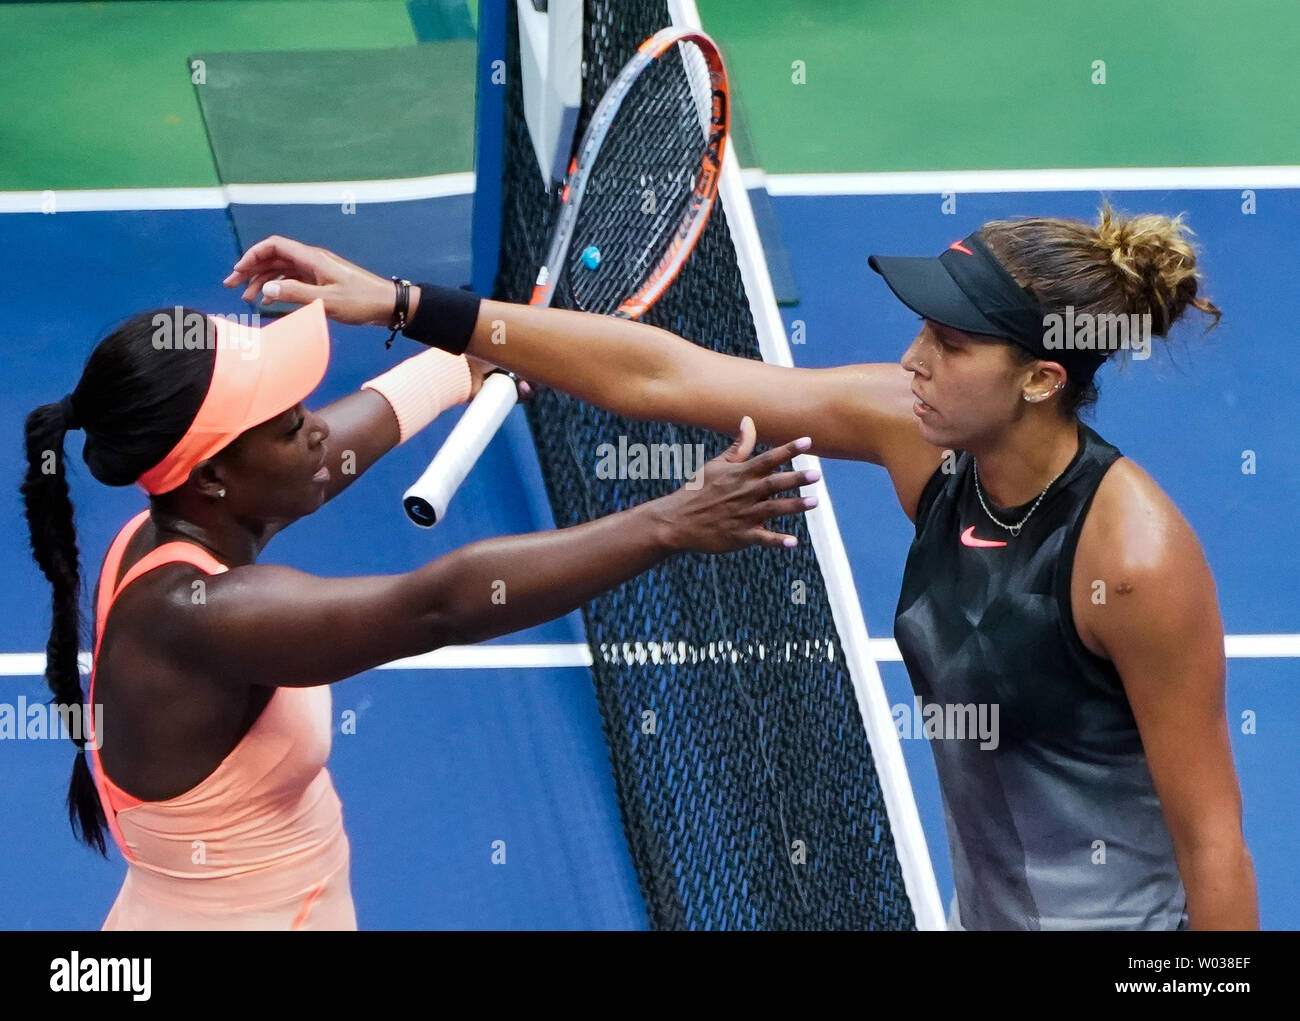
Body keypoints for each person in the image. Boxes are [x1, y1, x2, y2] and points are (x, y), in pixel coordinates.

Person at [234, 204, 1259, 930]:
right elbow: (664, 373)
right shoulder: (923, 443)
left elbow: (1212, 844)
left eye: (948, 343)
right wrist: (411, 303)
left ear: (1041, 378)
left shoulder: (1132, 563)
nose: (911, 359)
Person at [21, 298, 817, 930]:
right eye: (290, 423)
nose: (315, 428)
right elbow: (437, 606)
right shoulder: (209, 617)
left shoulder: (167, 531)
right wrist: (668, 522)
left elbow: (331, 454)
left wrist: (461, 359)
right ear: (215, 474)